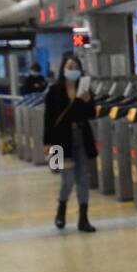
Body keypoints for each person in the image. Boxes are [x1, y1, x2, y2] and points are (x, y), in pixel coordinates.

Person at [42, 53, 96, 233]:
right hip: (60, 139)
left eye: (75, 67)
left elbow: (91, 114)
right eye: (69, 67)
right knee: (68, 178)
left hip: (81, 135)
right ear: (63, 68)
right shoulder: (54, 91)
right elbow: (48, 118)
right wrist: (47, 143)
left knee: (83, 178)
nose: (72, 70)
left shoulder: (84, 89)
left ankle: (84, 218)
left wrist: (88, 102)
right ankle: (61, 209)